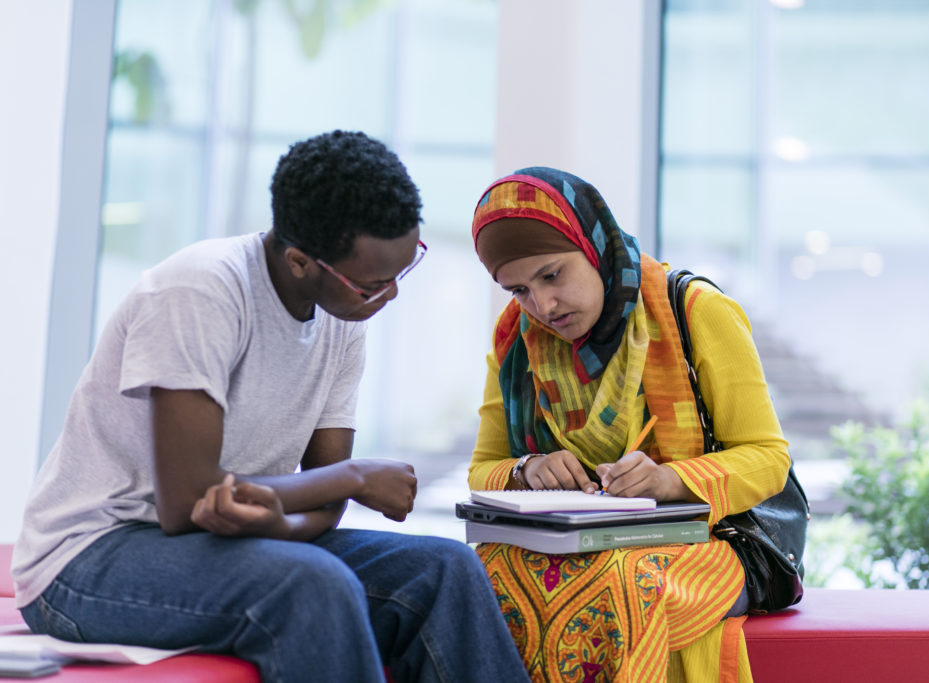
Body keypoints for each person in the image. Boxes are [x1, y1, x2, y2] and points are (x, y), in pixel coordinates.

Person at [12, 130, 530, 683]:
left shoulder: (343, 315)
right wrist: (354, 478)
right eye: (373, 284)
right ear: (301, 261)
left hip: (229, 543)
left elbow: (322, 499)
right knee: (309, 584)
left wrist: (280, 525)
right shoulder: (201, 291)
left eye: (403, 271)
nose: (391, 296)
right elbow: (186, 504)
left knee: (446, 569)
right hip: (89, 558)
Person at [467, 166, 790, 682]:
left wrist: (671, 480)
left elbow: (769, 458)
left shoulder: (695, 311)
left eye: (552, 275)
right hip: (572, 544)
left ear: (595, 246)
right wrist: (528, 468)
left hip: (704, 543)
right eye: (519, 290)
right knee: (480, 577)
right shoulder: (516, 341)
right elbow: (484, 469)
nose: (542, 306)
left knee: (614, 585)